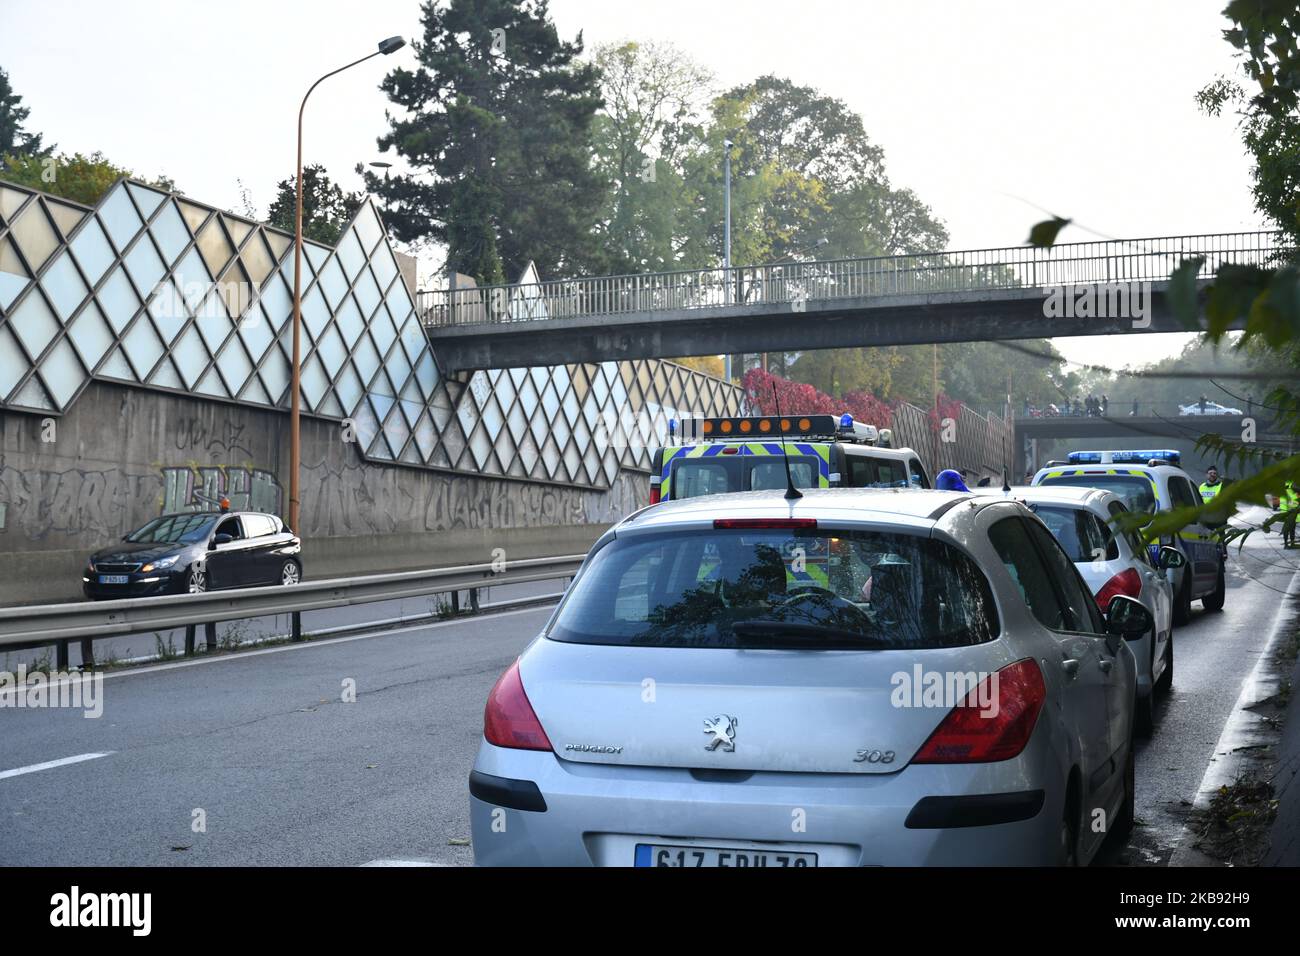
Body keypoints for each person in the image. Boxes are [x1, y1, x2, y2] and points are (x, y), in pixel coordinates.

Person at [1282, 480, 1299, 549]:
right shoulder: (1288, 487)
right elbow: (1292, 496)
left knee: (1292, 528)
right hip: (1288, 511)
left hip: (1294, 511)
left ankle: (1292, 542)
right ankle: (1286, 544)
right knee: (1287, 528)